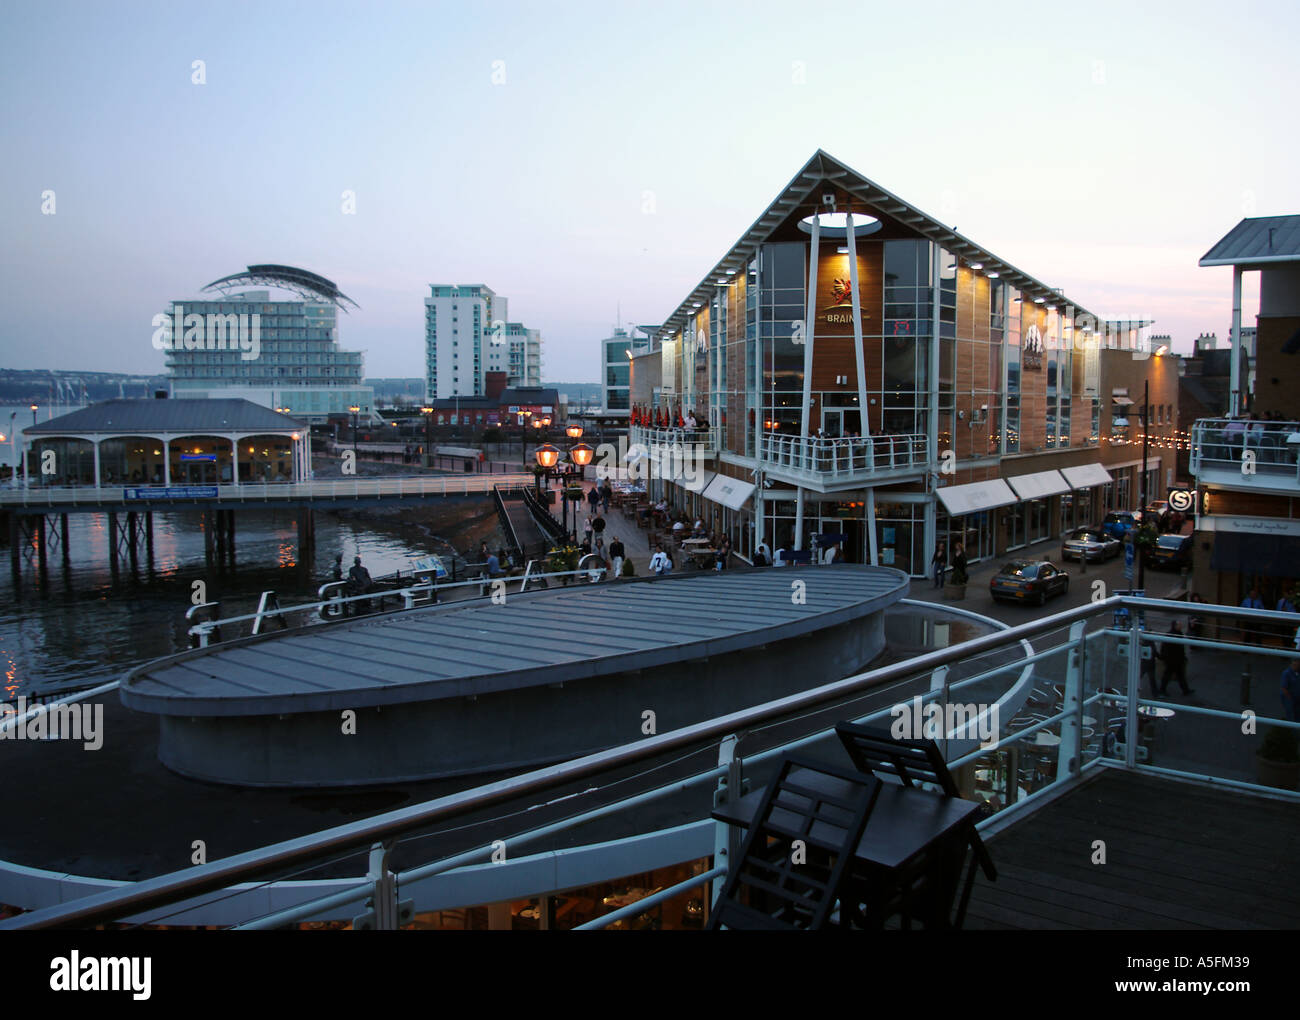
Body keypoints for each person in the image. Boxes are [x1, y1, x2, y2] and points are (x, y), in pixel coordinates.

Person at [1158, 621, 1192, 696]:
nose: (1181, 626)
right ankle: (1162, 690)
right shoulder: (1172, 635)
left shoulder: (1177, 634)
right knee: (1171, 675)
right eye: (1179, 625)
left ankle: (1185, 690)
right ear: (1175, 626)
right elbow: (1166, 648)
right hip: (1172, 660)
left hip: (1176, 660)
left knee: (1177, 675)